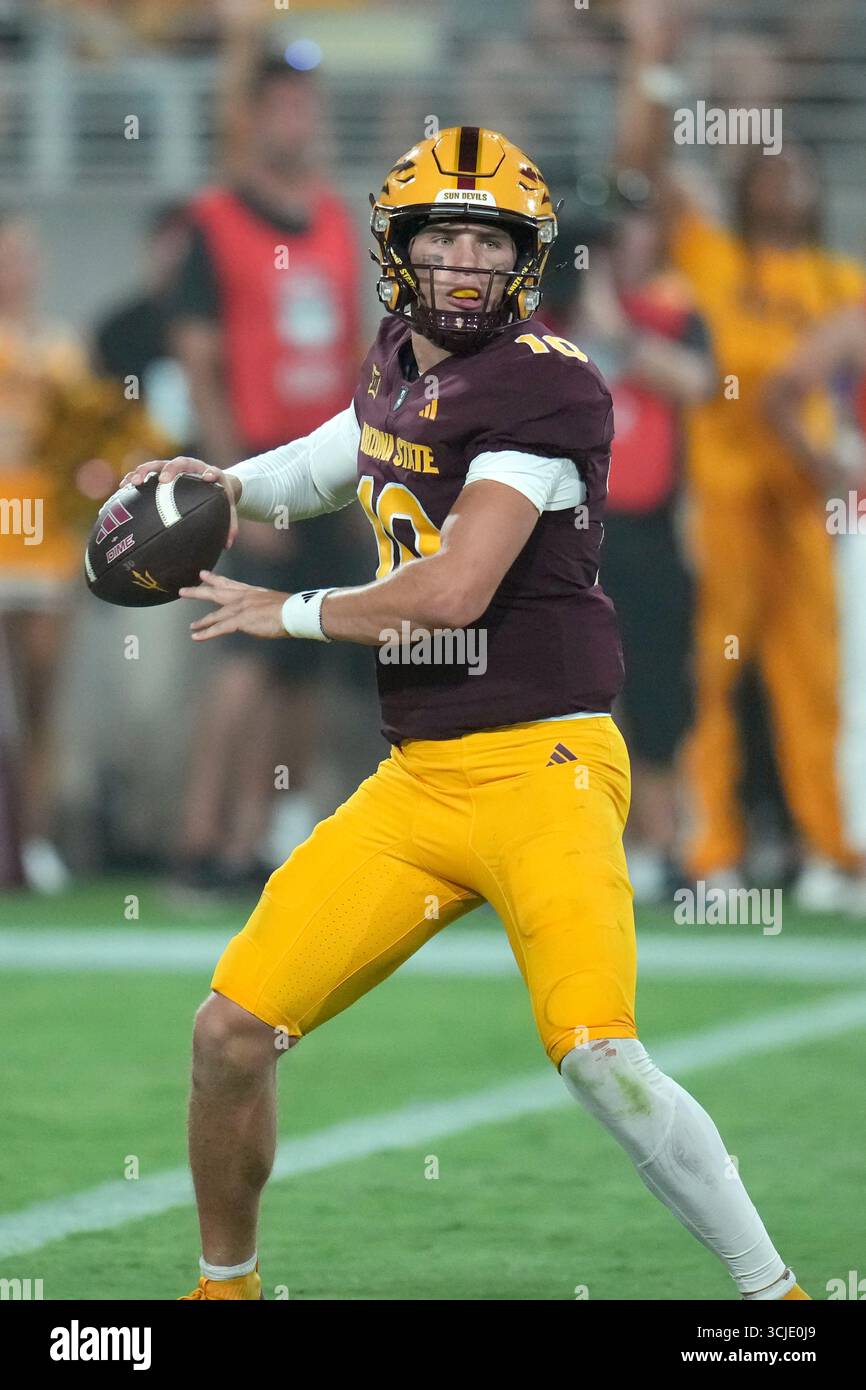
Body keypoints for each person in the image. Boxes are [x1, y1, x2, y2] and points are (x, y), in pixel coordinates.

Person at [123, 127, 809, 1303]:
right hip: (420, 776)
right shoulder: (398, 353)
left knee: (595, 1053)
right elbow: (349, 450)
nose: (464, 260)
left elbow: (450, 591)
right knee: (229, 1031)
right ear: (399, 246)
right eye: (443, 234)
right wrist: (230, 484)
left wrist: (287, 612)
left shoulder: (546, 382)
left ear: (524, 257)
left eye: (489, 240)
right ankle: (223, 1290)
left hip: (544, 764)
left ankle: (777, 1303)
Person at [616, 0, 866, 909]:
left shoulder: (842, 279)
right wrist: (655, 67)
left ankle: (830, 852)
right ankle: (709, 850)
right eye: (771, 165)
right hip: (719, 496)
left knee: (815, 680)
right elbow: (641, 173)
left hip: (806, 497)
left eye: (799, 167)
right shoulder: (713, 256)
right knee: (711, 676)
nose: (784, 180)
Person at [165, 49, 364, 896]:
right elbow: (198, 361)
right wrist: (231, 489)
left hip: (326, 470)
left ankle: (265, 835)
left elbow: (354, 352)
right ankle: (199, 842)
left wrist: (357, 470)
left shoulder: (333, 218)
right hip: (253, 466)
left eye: (305, 103)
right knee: (242, 658)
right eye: (280, 103)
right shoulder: (212, 221)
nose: (297, 118)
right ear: (249, 116)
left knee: (306, 651)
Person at [563, 195, 714, 901]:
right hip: (566, 529)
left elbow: (697, 383)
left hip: (649, 528)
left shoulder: (674, 314)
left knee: (656, 691)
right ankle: (575, 845)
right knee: (570, 695)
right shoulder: (548, 318)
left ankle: (662, 845)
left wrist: (616, 327)